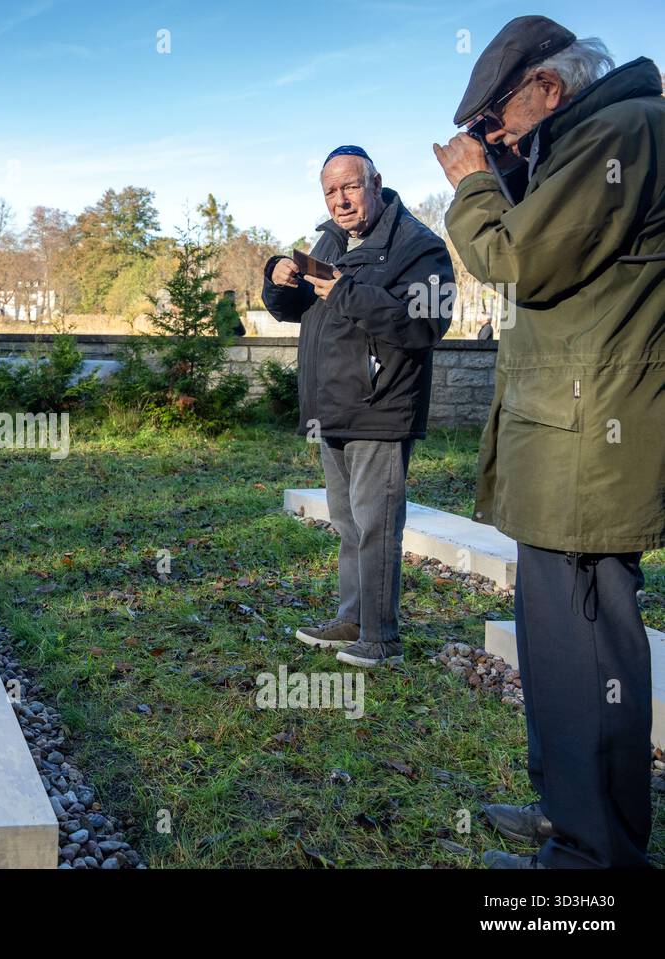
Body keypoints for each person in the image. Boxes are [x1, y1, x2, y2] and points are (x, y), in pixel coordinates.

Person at [435, 15, 664, 869]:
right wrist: (504, 165)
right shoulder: (609, 133)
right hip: (578, 434)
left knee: (582, 654)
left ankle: (591, 859)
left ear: (548, 88)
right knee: (573, 645)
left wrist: (472, 183)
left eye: (494, 122)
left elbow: (518, 260)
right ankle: (576, 813)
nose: (486, 140)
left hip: (586, 447)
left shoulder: (619, 132)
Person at [262, 146, 453, 668]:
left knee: (375, 527)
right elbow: (293, 310)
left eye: (349, 187)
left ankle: (382, 639)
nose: (340, 201)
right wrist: (276, 280)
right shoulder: (328, 238)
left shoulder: (418, 245)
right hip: (332, 409)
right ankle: (353, 619)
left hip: (380, 408)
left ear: (375, 183)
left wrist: (347, 292)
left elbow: (425, 324)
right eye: (330, 191)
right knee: (348, 525)